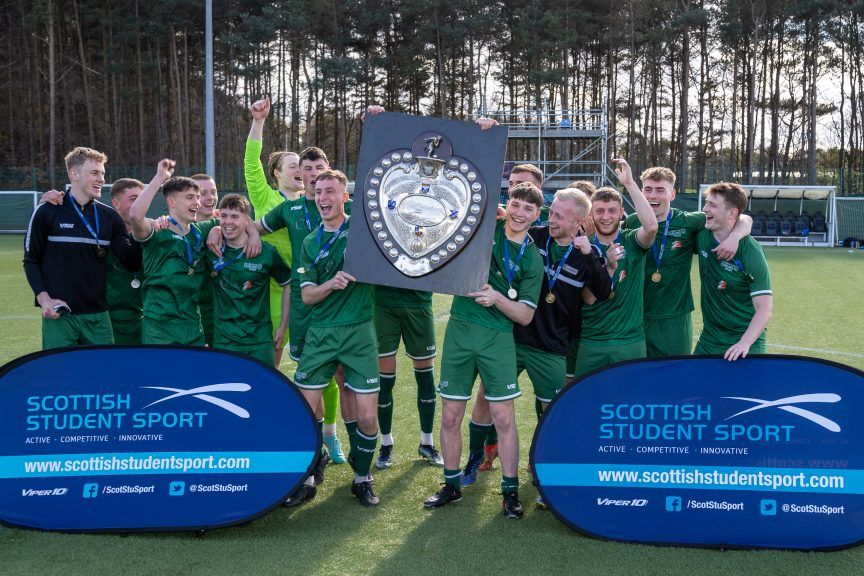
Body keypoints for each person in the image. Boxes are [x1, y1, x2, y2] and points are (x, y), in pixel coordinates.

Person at [462, 187, 616, 491]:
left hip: (553, 347)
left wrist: (590, 254)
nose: (551, 218)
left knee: (553, 410)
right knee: (485, 398)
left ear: (579, 221)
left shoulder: (589, 252)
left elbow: (603, 292)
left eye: (559, 215)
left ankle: (547, 471)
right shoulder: (535, 237)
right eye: (551, 212)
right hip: (513, 337)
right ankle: (475, 456)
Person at [424, 182, 545, 519]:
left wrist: (498, 299)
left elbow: (525, 315)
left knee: (504, 418)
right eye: (516, 204)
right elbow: (468, 193)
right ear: (509, 204)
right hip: (460, 330)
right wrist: (485, 130)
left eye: (528, 209)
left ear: (538, 214)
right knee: (450, 415)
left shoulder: (533, 259)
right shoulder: (482, 229)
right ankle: (451, 484)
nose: (520, 213)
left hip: (497, 338)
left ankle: (509, 492)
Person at [245, 142, 347, 465]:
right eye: (306, 169)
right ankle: (308, 442)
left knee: (340, 379)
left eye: (319, 170)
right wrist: (221, 233)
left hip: (340, 306)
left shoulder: (342, 207)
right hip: (295, 296)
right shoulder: (287, 208)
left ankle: (333, 435)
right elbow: (256, 227)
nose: (313, 175)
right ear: (300, 176)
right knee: (302, 372)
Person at [291, 169, 381, 507]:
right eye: (318, 192)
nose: (323, 197)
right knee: (303, 410)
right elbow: (309, 296)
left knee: (367, 416)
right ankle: (309, 472)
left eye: (331, 191)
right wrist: (332, 283)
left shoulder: (362, 232)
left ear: (345, 196)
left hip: (359, 331)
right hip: (322, 334)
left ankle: (362, 477)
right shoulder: (310, 242)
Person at [622, 167, 752, 357]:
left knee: (675, 374)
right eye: (648, 189)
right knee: (636, 375)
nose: (652, 196)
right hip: (635, 314)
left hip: (674, 317)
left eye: (660, 190)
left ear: (672, 194)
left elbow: (745, 218)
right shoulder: (632, 222)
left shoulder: (690, 222)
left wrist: (735, 237)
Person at [23, 147, 141, 349]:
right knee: (60, 376)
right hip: (60, 315)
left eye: (103, 173)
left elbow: (130, 262)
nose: (101, 179)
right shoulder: (47, 211)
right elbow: (31, 260)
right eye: (95, 173)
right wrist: (45, 301)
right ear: (74, 174)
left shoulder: (110, 217)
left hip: (99, 317)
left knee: (102, 376)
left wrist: (141, 226)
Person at [128, 160, 231, 346]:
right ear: (172, 202)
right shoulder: (157, 231)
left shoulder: (202, 229)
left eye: (197, 197)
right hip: (160, 326)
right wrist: (159, 178)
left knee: (194, 375)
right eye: (190, 197)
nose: (197, 202)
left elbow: (242, 222)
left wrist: (220, 230)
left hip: (192, 325)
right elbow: (135, 215)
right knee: (162, 375)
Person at [573, 159, 658, 377]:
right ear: (591, 214)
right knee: (589, 402)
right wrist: (608, 267)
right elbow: (589, 298)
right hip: (592, 341)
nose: (606, 217)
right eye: (600, 211)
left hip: (630, 341)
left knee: (629, 404)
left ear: (622, 213)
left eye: (612, 211)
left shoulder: (631, 241)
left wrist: (629, 184)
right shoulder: (583, 246)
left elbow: (651, 226)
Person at [245, 96, 302, 366]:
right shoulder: (264, 198)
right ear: (277, 174)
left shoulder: (316, 202)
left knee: (324, 367)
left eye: (301, 165)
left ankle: (326, 412)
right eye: (293, 166)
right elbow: (251, 162)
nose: (299, 170)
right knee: (272, 358)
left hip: (312, 288)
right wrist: (259, 122)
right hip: (274, 289)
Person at [206, 194, 291, 365]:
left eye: (235, 216)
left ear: (247, 221)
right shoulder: (210, 249)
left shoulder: (266, 252)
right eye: (224, 216)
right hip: (224, 340)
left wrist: (283, 325)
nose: (228, 222)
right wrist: (214, 229)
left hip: (259, 340)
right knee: (225, 389)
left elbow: (289, 283)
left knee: (265, 389)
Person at [695, 182, 772, 360]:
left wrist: (744, 343)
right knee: (695, 386)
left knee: (744, 389)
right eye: (706, 203)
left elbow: (764, 309)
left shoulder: (751, 252)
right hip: (709, 339)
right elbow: (747, 219)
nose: (705, 209)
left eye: (712, 205)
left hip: (745, 342)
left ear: (731, 213)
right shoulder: (702, 231)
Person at [192, 173, 219, 347]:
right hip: (190, 313)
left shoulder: (230, 225)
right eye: (203, 193)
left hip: (221, 313)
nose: (210, 198)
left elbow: (250, 224)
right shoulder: (177, 229)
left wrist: (218, 226)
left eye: (214, 192)